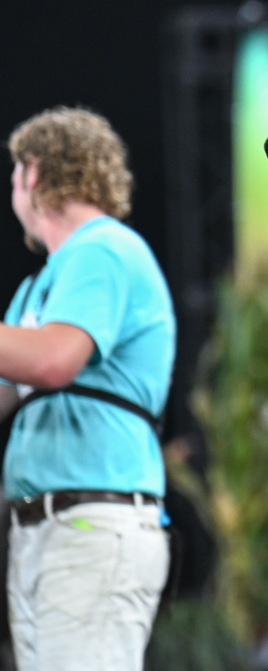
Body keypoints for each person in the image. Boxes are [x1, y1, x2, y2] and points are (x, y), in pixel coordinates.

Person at [0, 106, 175, 670]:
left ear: (32, 172)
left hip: (90, 523)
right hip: (46, 532)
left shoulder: (102, 249)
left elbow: (53, 361)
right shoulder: (40, 286)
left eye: (13, 177)